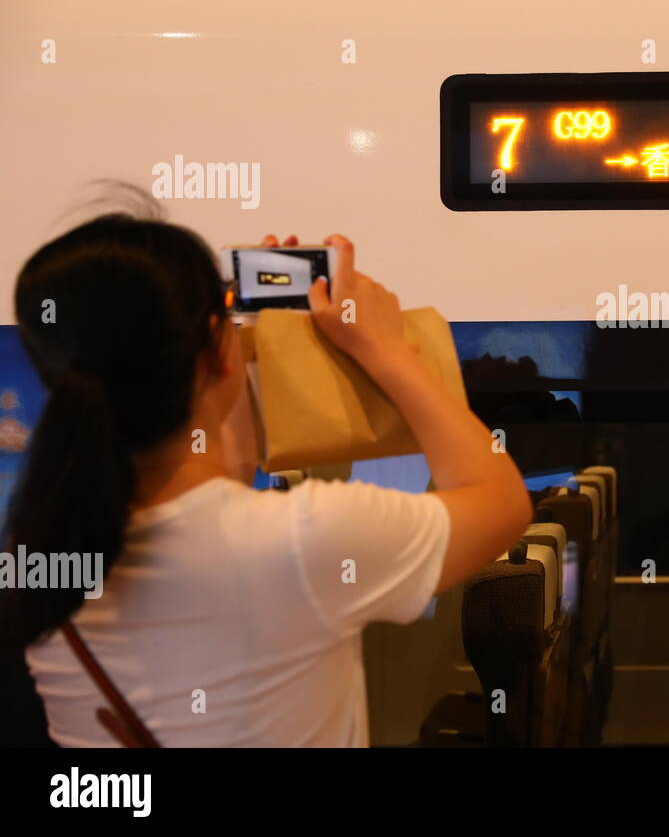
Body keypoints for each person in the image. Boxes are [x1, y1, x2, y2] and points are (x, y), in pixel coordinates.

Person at [0, 196, 532, 746]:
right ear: (216, 352)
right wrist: (385, 347)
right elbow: (500, 500)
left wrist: (253, 344)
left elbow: (212, 484)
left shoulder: (43, 558)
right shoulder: (303, 540)